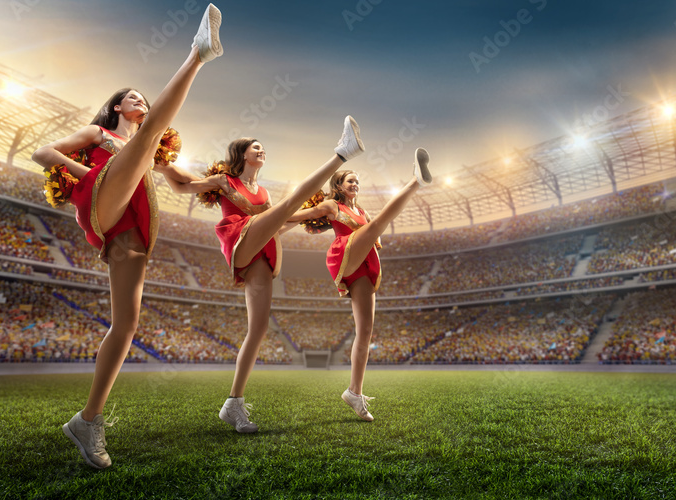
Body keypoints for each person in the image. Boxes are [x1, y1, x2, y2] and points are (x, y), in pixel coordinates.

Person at [30, 3, 224, 468]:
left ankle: (87, 419)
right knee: (150, 135)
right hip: (99, 199)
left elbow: (182, 184)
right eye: (134, 98)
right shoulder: (99, 133)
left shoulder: (149, 148)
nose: (141, 102)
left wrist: (218, 184)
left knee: (126, 326)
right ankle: (198, 53)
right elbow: (42, 151)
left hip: (135, 229)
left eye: (144, 99)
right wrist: (89, 175)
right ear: (118, 107)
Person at [164, 116, 366, 432]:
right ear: (242, 154)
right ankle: (341, 153)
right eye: (256, 147)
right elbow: (182, 185)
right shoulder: (224, 181)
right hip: (240, 237)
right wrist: (159, 161)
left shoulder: (264, 194)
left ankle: (233, 403)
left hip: (262, 251)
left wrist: (307, 216)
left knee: (258, 329)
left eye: (262, 147)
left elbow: (278, 225)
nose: (261, 150)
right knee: (290, 203)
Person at [288, 149, 431, 421]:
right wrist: (274, 220)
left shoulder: (362, 212)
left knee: (365, 331)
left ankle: (354, 392)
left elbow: (373, 235)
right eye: (350, 181)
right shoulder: (332, 206)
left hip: (364, 265)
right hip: (346, 253)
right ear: (339, 186)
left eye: (357, 181)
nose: (355, 184)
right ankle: (416, 181)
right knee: (379, 223)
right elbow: (301, 214)